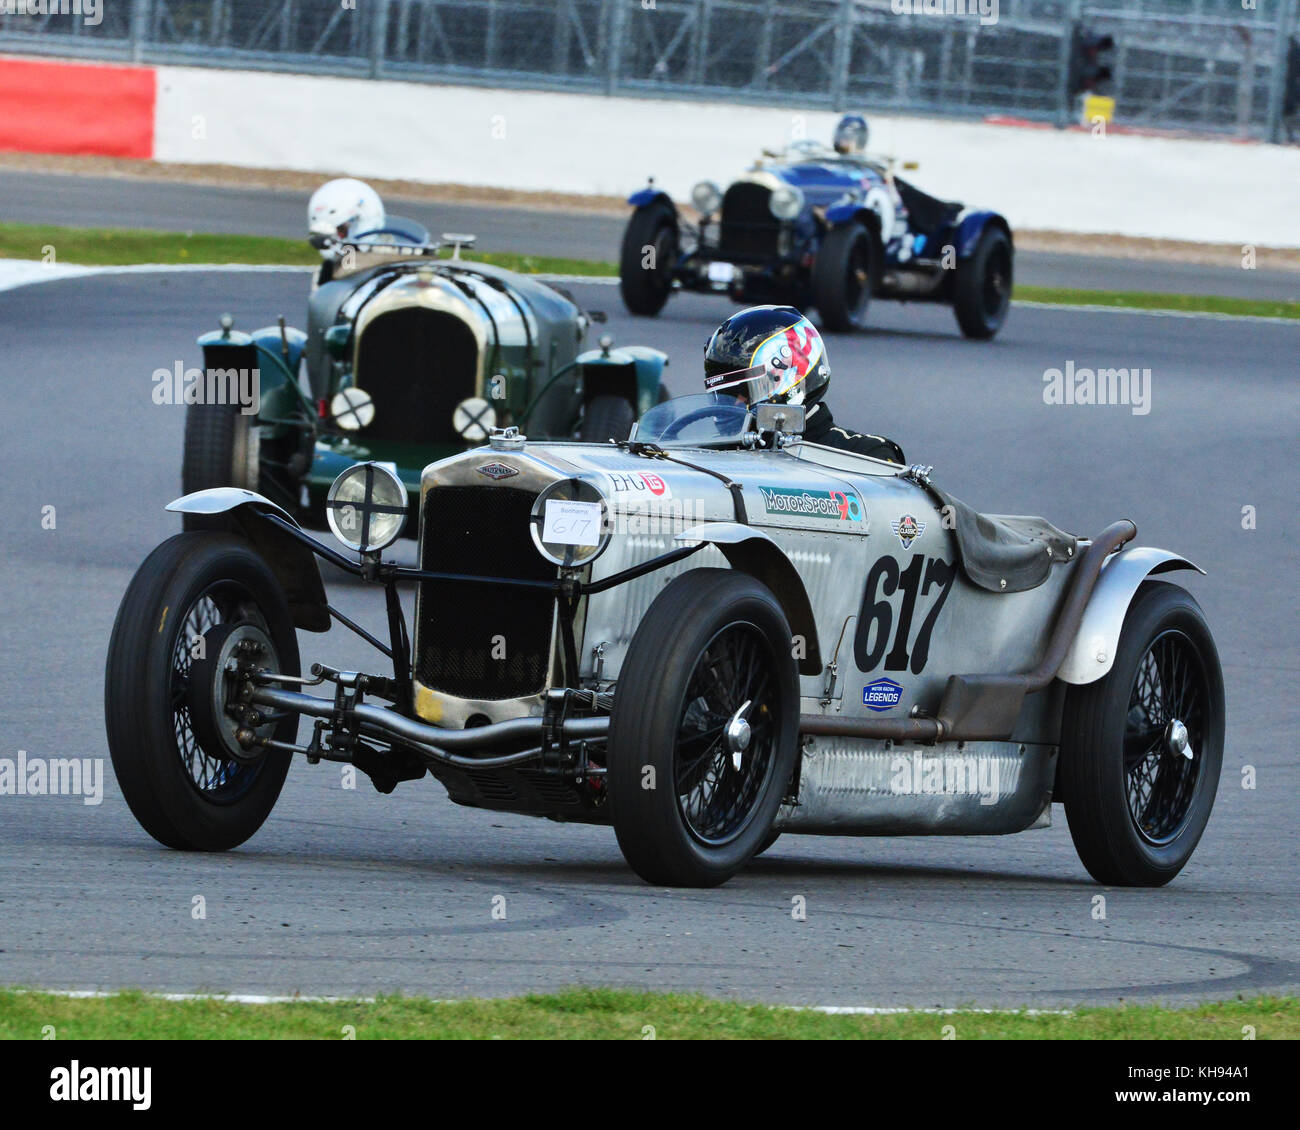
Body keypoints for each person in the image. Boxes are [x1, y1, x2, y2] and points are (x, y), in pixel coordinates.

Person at [702, 304, 905, 464]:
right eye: (721, 394)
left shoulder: (865, 454)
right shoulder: (710, 453)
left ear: (788, 381)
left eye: (740, 393)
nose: (727, 407)